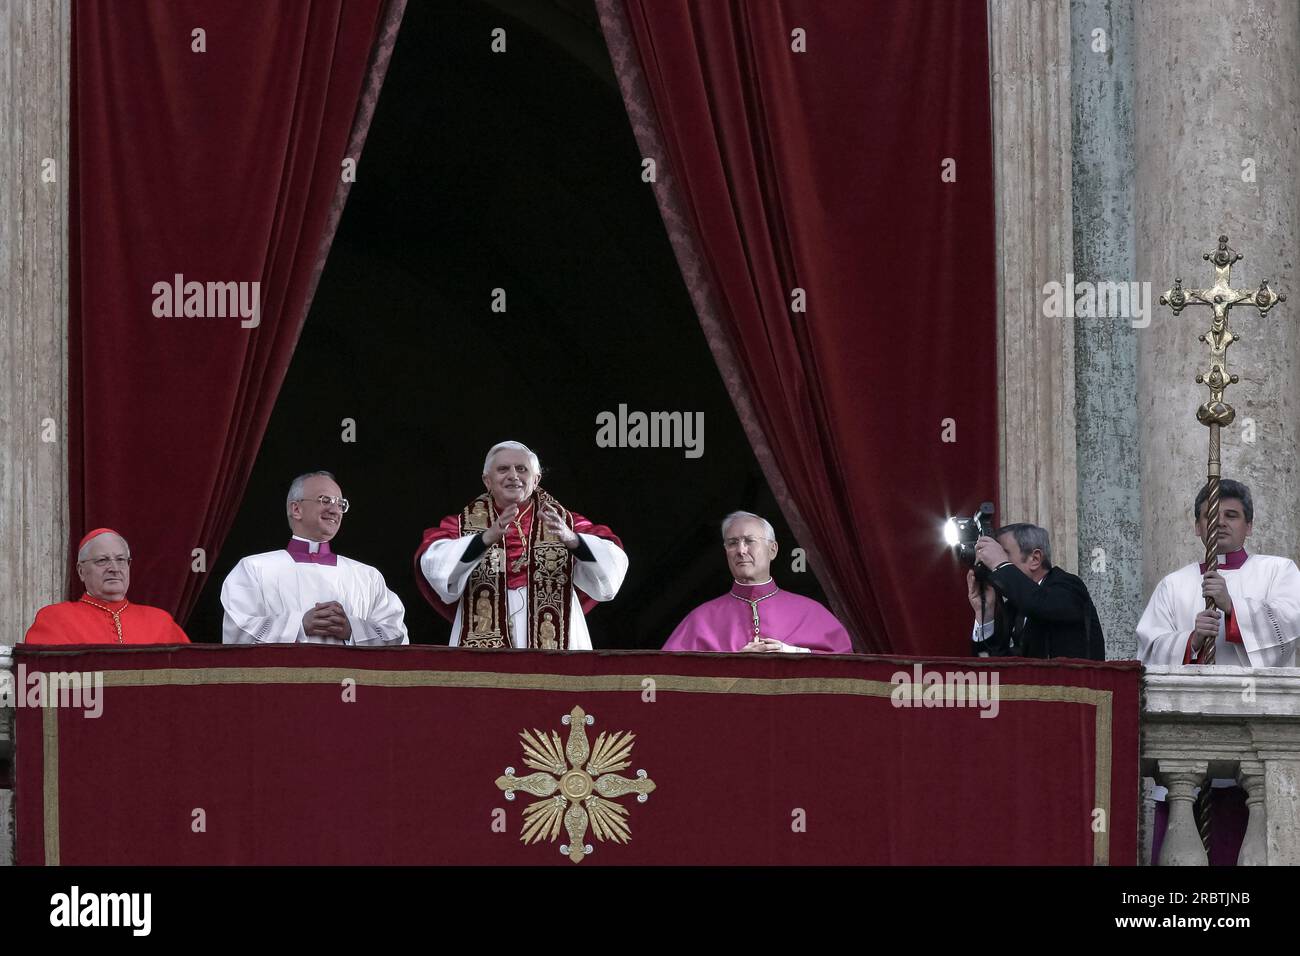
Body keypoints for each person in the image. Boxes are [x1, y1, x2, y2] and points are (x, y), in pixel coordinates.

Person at [415, 441, 626, 649]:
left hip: (557, 629)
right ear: (487, 481)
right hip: (485, 621)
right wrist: (484, 539)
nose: (513, 476)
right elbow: (434, 565)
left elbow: (612, 566)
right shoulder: (460, 525)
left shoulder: (565, 523)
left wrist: (572, 539)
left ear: (536, 480)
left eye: (522, 469)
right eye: (503, 469)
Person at [221, 471, 408, 645]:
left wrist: (352, 629)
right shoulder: (254, 568)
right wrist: (299, 625)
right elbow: (237, 635)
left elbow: (397, 636)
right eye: (325, 500)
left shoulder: (368, 576)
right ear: (296, 509)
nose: (335, 510)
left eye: (340, 504)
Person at [1137, 478, 1300, 666]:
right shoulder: (1172, 584)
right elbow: (1148, 651)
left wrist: (1232, 607)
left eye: (1231, 515)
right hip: (1193, 694)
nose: (1220, 522)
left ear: (1249, 527)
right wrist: (1192, 640)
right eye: (1211, 515)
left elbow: (1291, 625)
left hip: (1258, 693)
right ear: (1198, 526)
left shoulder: (1279, 571)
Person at [662, 511, 853, 653]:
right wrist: (733, 662)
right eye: (732, 543)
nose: (741, 550)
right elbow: (671, 675)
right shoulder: (701, 619)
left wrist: (795, 653)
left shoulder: (811, 612)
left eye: (749, 541)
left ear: (773, 550)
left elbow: (845, 665)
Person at [25, 528, 190, 645]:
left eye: (120, 560)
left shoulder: (160, 622)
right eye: (102, 560)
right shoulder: (55, 619)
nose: (114, 568)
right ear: (81, 571)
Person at [967, 523, 1104, 659]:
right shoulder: (1013, 607)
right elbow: (987, 664)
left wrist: (1000, 564)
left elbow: (1038, 604)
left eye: (1003, 554)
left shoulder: (1069, 587)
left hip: (1072, 680)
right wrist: (984, 613)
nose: (992, 563)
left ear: (1035, 559)